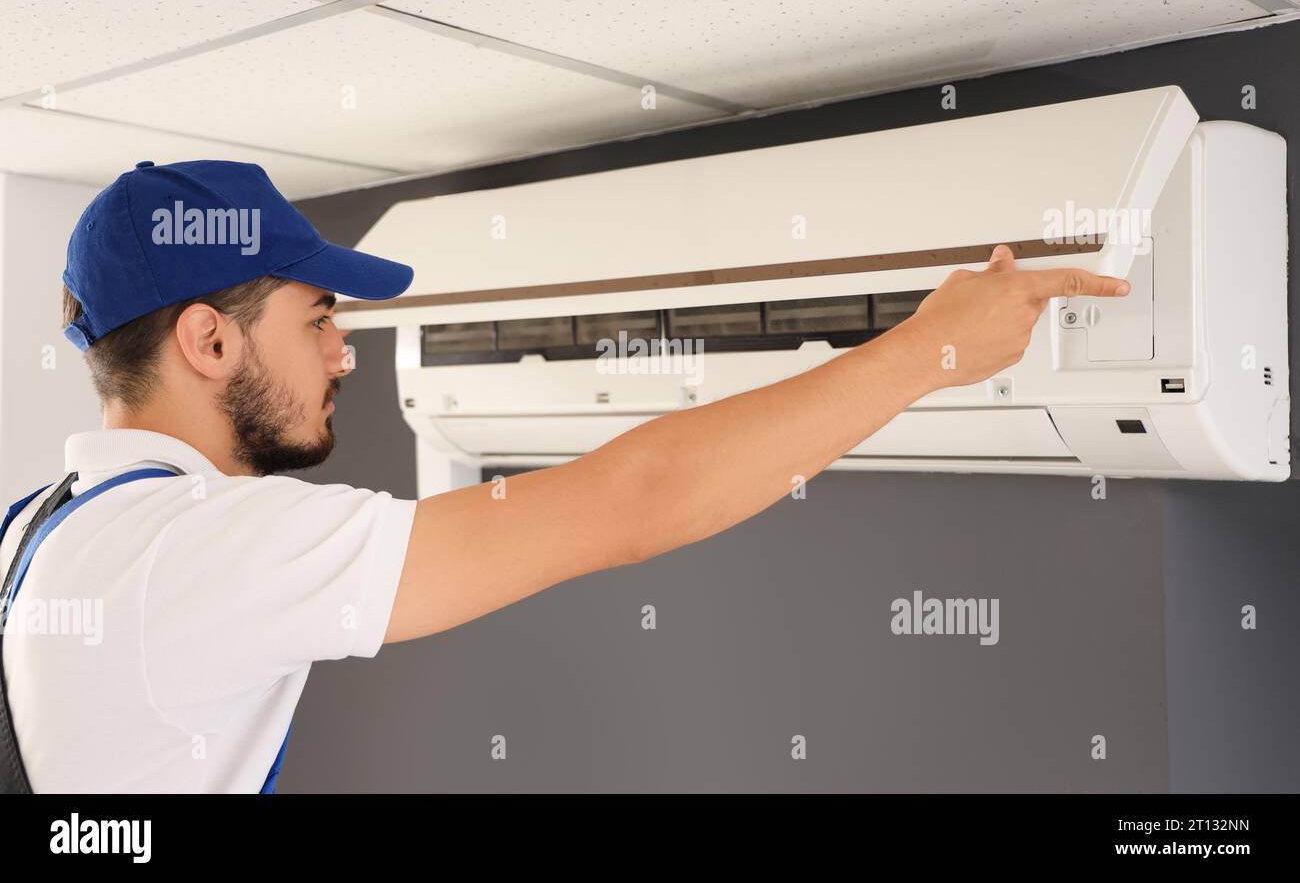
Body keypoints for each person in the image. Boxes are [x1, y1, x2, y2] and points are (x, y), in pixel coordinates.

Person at [0, 159, 1129, 792]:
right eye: (320, 315)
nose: (344, 352)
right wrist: (931, 350)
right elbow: (631, 500)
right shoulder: (200, 546)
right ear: (209, 342)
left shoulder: (36, 529)